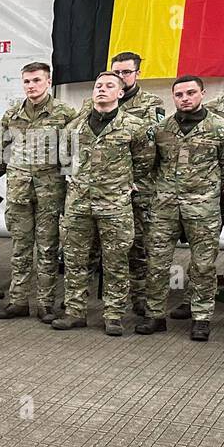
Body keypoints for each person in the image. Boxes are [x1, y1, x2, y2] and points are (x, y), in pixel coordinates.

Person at [53, 71, 154, 336]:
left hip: (114, 205)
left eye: (110, 86)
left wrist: (124, 183)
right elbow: (63, 159)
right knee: (75, 259)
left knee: (116, 260)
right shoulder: (74, 126)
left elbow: (144, 162)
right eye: (98, 86)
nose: (102, 89)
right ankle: (75, 312)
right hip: (79, 204)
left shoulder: (134, 126)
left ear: (120, 93)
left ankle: (114, 314)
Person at [136, 76, 224, 341]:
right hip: (165, 207)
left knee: (202, 265)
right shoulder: (161, 129)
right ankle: (154, 315)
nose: (185, 98)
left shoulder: (220, 128)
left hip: (203, 208)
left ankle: (201, 318)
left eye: (191, 92)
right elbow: (150, 165)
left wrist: (207, 189)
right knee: (156, 262)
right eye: (179, 94)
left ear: (202, 93)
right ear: (173, 97)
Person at [0, 62, 76, 322]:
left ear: (48, 81)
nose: (31, 86)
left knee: (48, 248)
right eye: (27, 81)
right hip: (20, 192)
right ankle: (18, 300)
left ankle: (45, 303)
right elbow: (2, 149)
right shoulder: (12, 115)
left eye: (36, 81)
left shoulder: (65, 113)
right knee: (20, 247)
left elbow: (73, 153)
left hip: (50, 192)